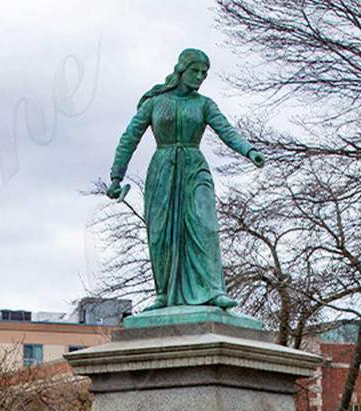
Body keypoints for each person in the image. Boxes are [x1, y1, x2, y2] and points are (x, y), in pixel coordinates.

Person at [106, 48, 265, 310]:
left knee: (205, 226)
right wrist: (116, 176)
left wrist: (249, 151)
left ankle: (213, 290)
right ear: (181, 69)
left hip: (194, 167)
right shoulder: (155, 102)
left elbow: (226, 131)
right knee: (161, 234)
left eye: (204, 73)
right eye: (195, 71)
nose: (200, 77)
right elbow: (130, 137)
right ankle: (164, 293)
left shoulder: (204, 104)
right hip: (163, 169)